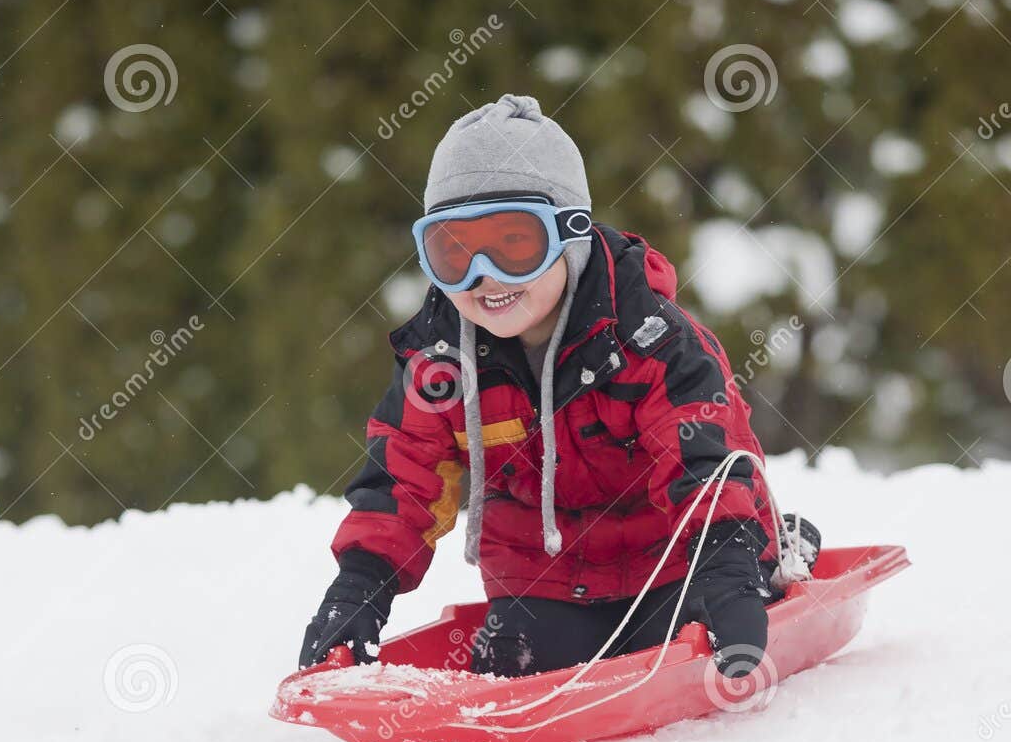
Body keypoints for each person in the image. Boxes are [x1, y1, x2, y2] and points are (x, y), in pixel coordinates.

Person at [298, 94, 817, 680]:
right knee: (515, 660)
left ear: (569, 235)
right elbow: (405, 477)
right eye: (455, 253)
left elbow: (706, 460)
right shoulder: (438, 363)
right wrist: (361, 588)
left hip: (675, 558)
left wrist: (726, 561)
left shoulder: (650, 341)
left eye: (514, 245)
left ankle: (779, 550)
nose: (484, 276)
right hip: (548, 577)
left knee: (685, 636)